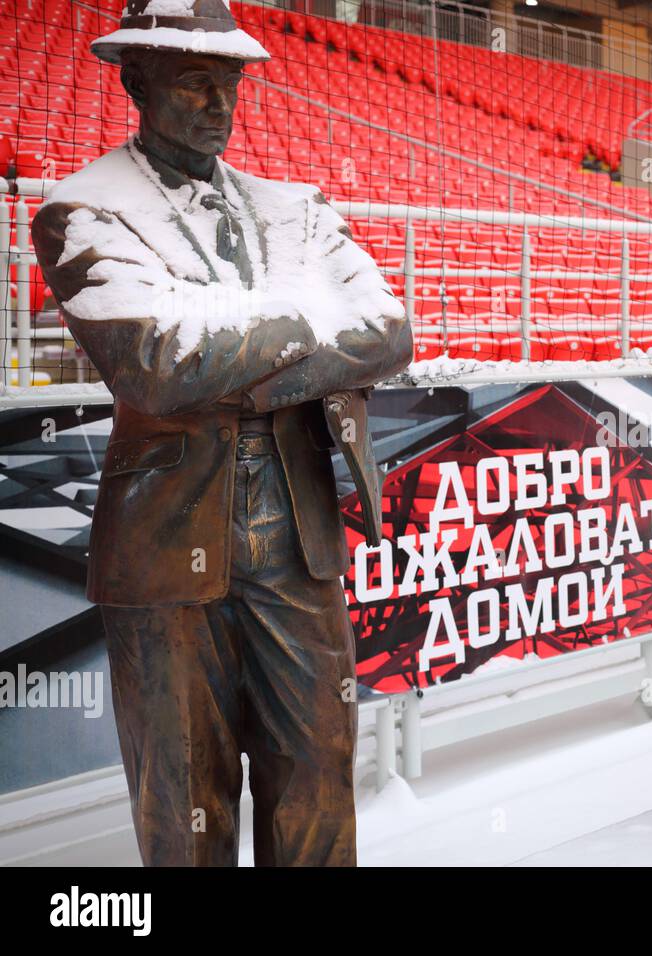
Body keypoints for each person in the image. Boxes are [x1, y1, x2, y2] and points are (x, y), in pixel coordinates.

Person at [30, 0, 413, 866]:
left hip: (298, 534)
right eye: (196, 83)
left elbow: (387, 331)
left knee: (318, 775)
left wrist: (234, 347)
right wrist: (305, 325)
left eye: (230, 84)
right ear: (136, 80)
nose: (220, 105)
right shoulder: (81, 210)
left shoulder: (297, 207)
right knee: (184, 799)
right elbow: (157, 366)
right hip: (168, 542)